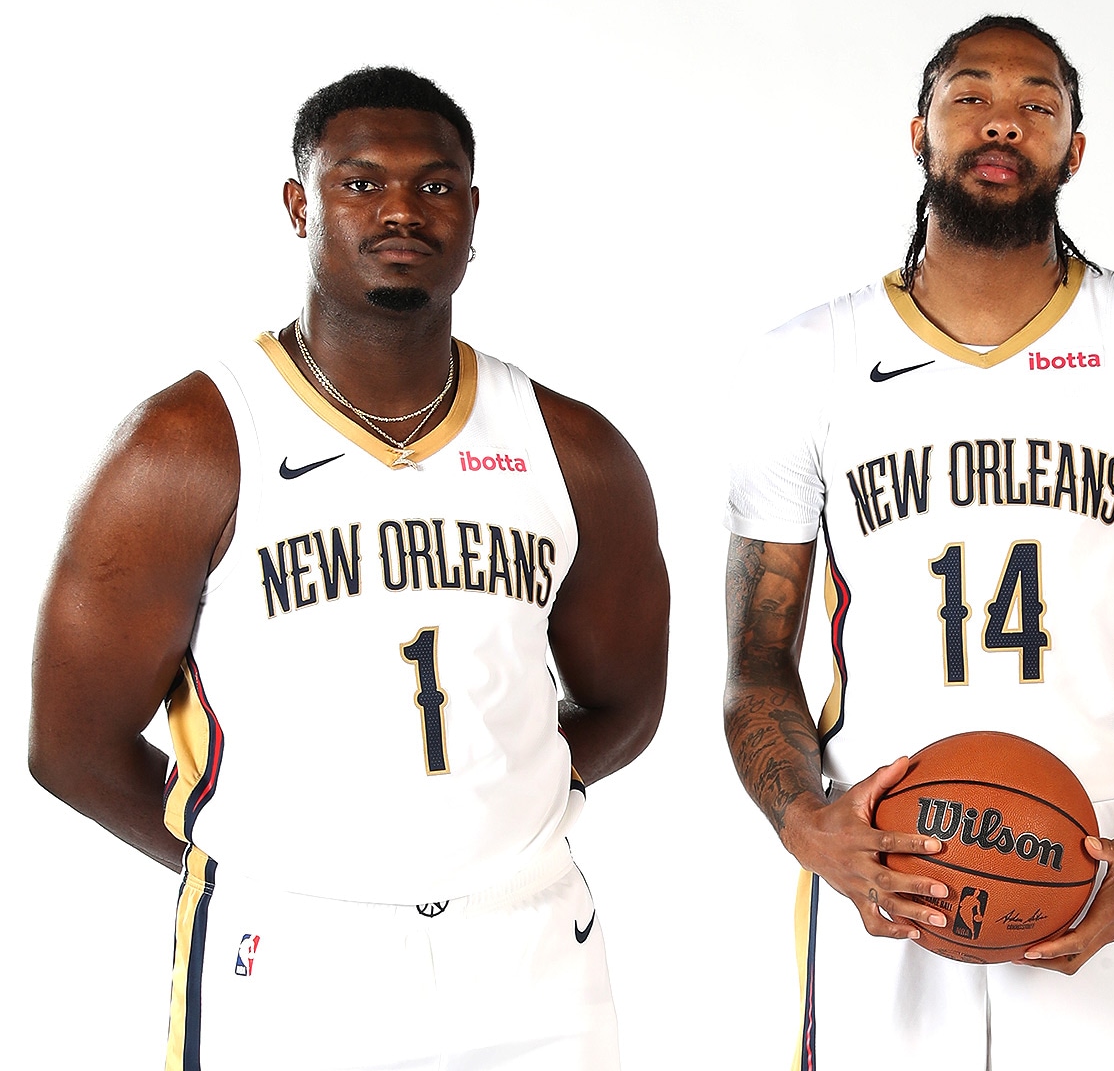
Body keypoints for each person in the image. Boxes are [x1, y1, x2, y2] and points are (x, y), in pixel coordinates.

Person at [27, 66, 669, 1071]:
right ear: (300, 204)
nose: (403, 208)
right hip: (289, 962)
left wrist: (503, 806)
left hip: (531, 948)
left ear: (473, 209)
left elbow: (626, 700)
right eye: (360, 183)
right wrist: (249, 868)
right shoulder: (188, 445)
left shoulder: (572, 448)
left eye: (438, 184)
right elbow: (70, 746)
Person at [722, 15, 1114, 1071]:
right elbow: (757, 661)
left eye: (1039, 104)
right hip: (882, 857)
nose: (1002, 121)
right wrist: (810, 825)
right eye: (970, 96)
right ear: (919, 133)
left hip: (1098, 857)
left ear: (1075, 149)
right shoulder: (807, 361)